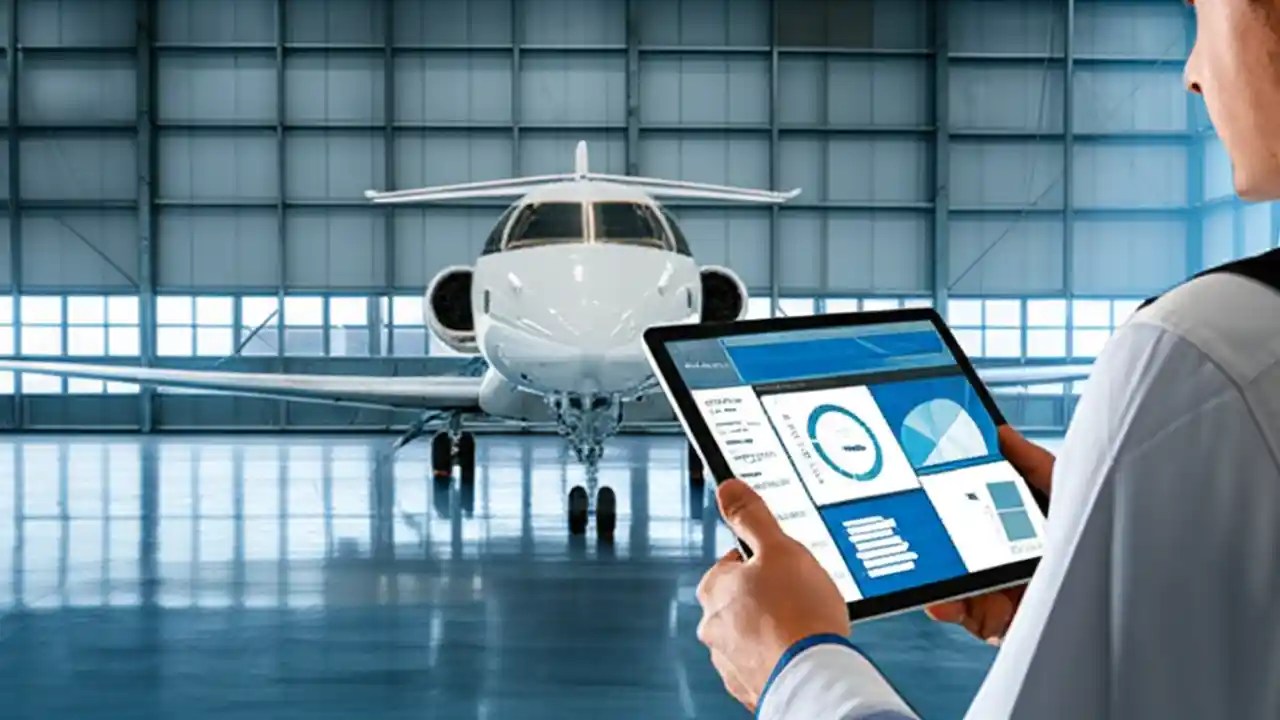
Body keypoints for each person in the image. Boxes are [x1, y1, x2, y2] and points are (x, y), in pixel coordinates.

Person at [695, 0, 1280, 717]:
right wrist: (1099, 594)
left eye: (1205, 12)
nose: (1192, 74)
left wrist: (795, 668)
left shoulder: (1202, 353)